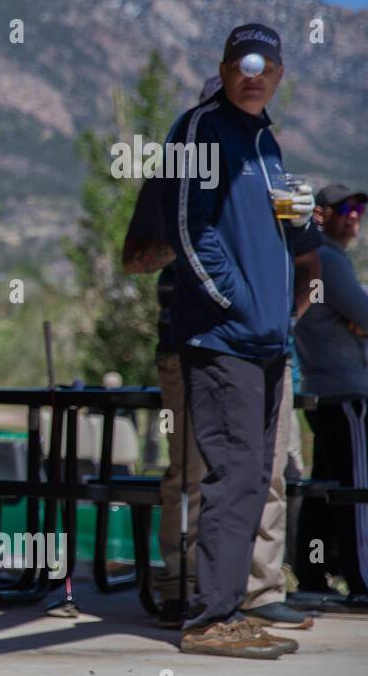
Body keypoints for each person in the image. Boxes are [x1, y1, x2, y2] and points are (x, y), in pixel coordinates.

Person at [123, 73, 318, 633]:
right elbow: (135, 256)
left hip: (263, 343)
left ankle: (258, 589)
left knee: (266, 471)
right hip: (197, 341)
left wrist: (279, 310)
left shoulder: (265, 168)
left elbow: (308, 255)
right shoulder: (183, 166)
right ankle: (183, 588)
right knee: (196, 471)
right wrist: (213, 255)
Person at [293, 184, 368, 608]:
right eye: (345, 209)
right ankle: (362, 580)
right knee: (356, 491)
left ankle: (312, 577)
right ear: (320, 215)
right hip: (346, 392)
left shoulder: (322, 259)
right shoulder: (331, 263)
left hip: (322, 391)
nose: (355, 216)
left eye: (359, 209)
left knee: (324, 488)